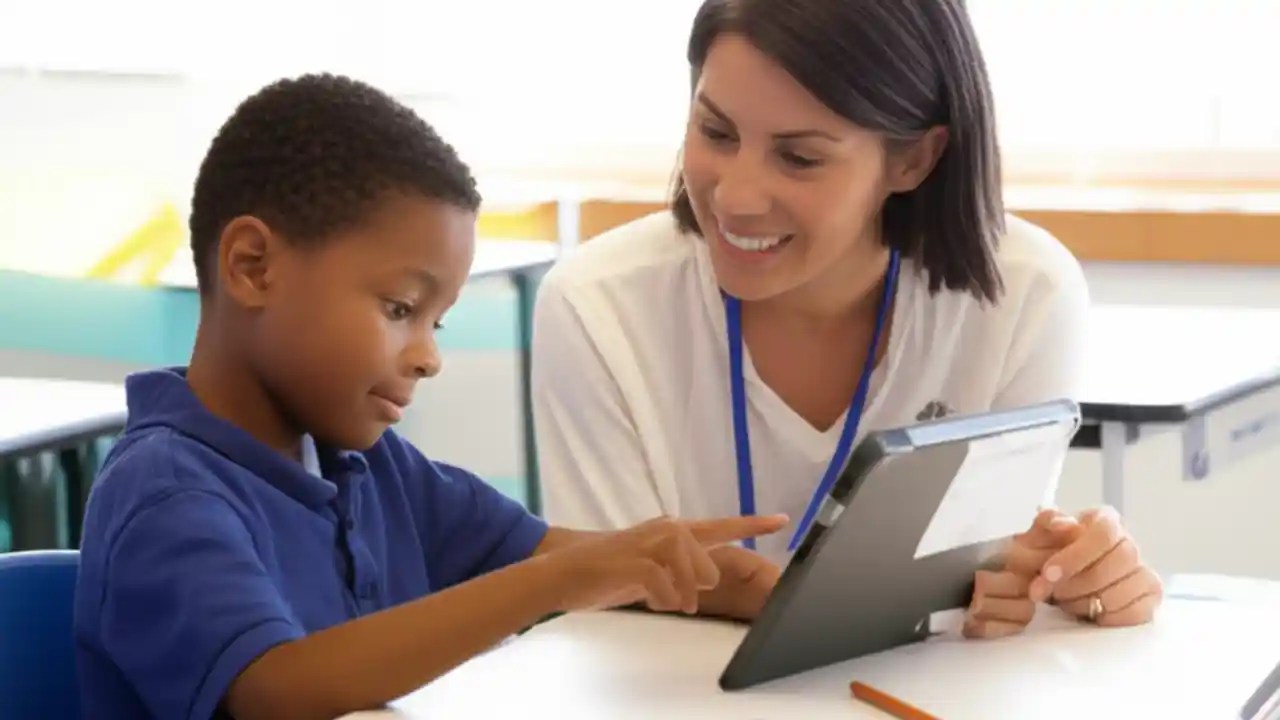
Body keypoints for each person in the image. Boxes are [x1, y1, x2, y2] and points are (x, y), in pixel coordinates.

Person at [73, 73, 789, 720]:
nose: (428, 357)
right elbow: (275, 691)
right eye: (400, 309)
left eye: (435, 323)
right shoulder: (165, 494)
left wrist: (722, 581)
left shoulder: (372, 466)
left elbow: (561, 556)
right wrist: (555, 581)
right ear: (253, 267)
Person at [531, 0, 1162, 640]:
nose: (735, 197)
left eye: (799, 158)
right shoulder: (597, 307)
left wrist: (1071, 579)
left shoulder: (1023, 296)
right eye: (716, 133)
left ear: (914, 159)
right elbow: (609, 610)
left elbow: (994, 587)